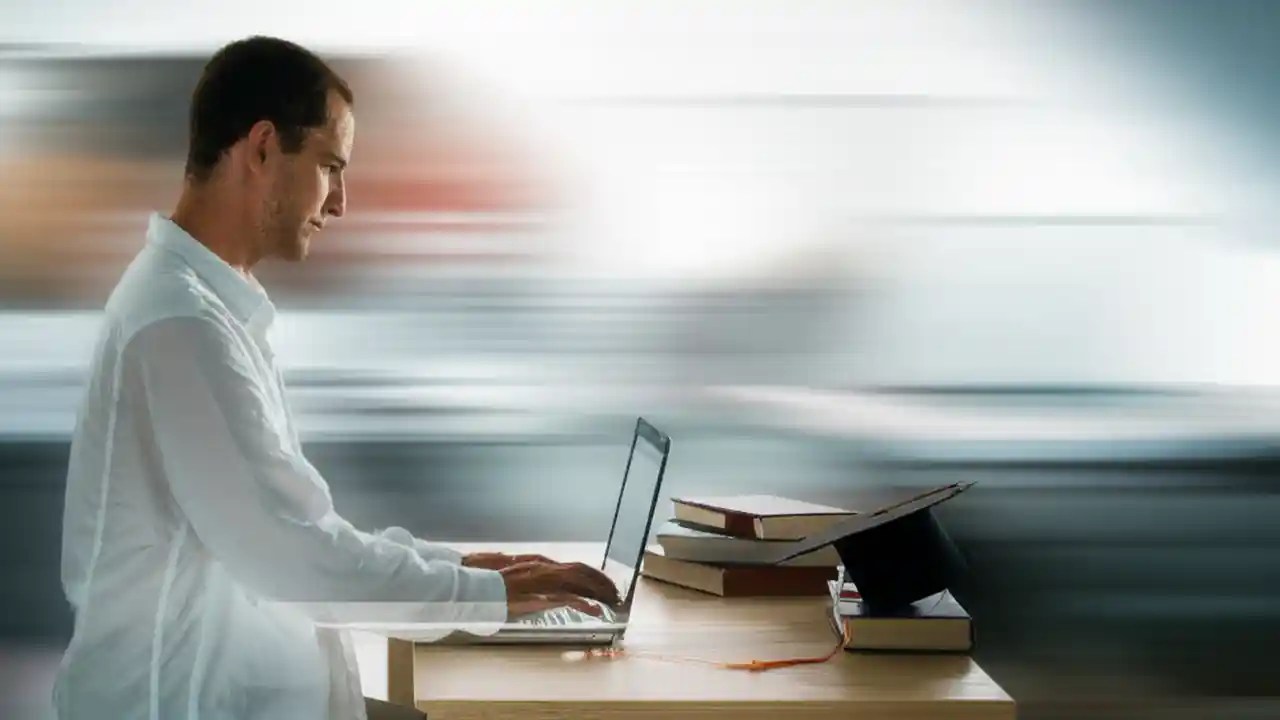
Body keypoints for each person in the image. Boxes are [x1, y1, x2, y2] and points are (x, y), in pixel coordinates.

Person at [53, 36, 619, 720]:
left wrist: (465, 569)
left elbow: (299, 529)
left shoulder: (208, 308)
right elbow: (294, 556)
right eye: (329, 167)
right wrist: (486, 597)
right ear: (263, 148)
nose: (341, 202)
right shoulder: (181, 325)